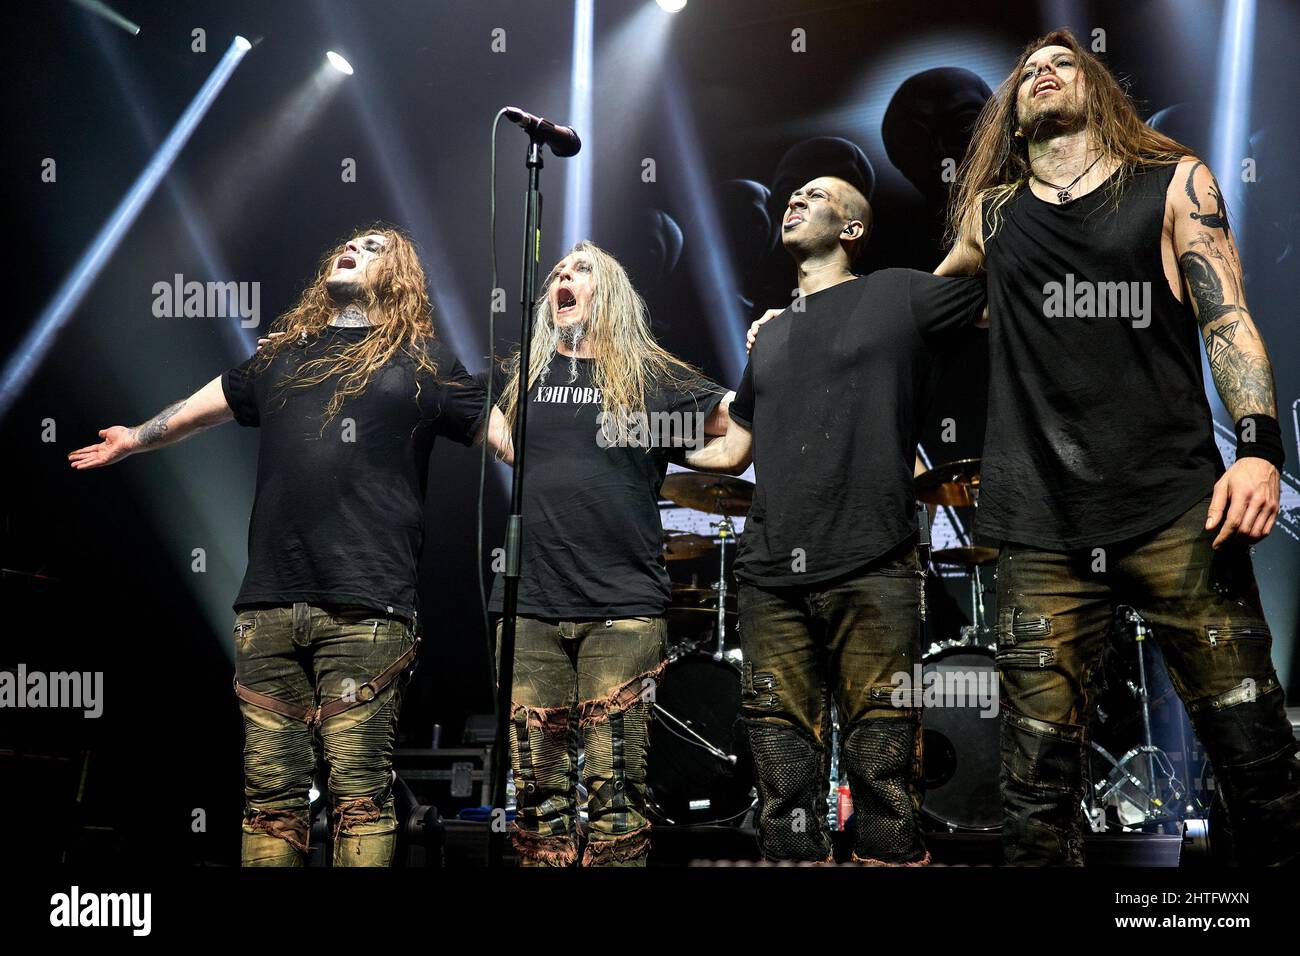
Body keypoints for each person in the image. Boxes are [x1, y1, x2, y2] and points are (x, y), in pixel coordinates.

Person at [932, 28, 1297, 866]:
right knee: (1034, 785)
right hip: (1039, 526)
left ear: (1097, 87)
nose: (1044, 73)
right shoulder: (993, 215)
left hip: (1175, 507)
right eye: (1027, 71)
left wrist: (1258, 449)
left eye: (1063, 63)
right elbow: (922, 307)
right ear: (1012, 114)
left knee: (1254, 748)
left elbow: (1227, 316)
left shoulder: (1174, 182)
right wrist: (812, 315)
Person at [69, 226, 487, 866]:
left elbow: (504, 430)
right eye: (351, 242)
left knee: (359, 798)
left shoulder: (424, 364)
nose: (354, 246)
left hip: (366, 608)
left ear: (399, 278)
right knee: (270, 800)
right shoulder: (283, 355)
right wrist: (135, 438)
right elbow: (196, 408)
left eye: (376, 247)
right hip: (267, 606)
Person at [689, 144, 986, 864]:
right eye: (792, 195)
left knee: (883, 766)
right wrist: (631, 438)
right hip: (769, 577)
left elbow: (981, 255)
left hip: (874, 562)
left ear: (852, 229)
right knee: (781, 769)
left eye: (817, 196)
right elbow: (732, 452)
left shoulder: (900, 294)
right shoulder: (771, 333)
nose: (795, 199)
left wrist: (989, 165)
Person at [484, 240, 732, 866]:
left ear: (612, 294)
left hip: (621, 610)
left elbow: (729, 428)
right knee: (538, 798)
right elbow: (492, 427)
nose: (563, 276)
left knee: (615, 791)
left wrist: (767, 359)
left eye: (582, 268)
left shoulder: (648, 379)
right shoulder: (527, 379)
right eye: (557, 272)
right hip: (530, 606)